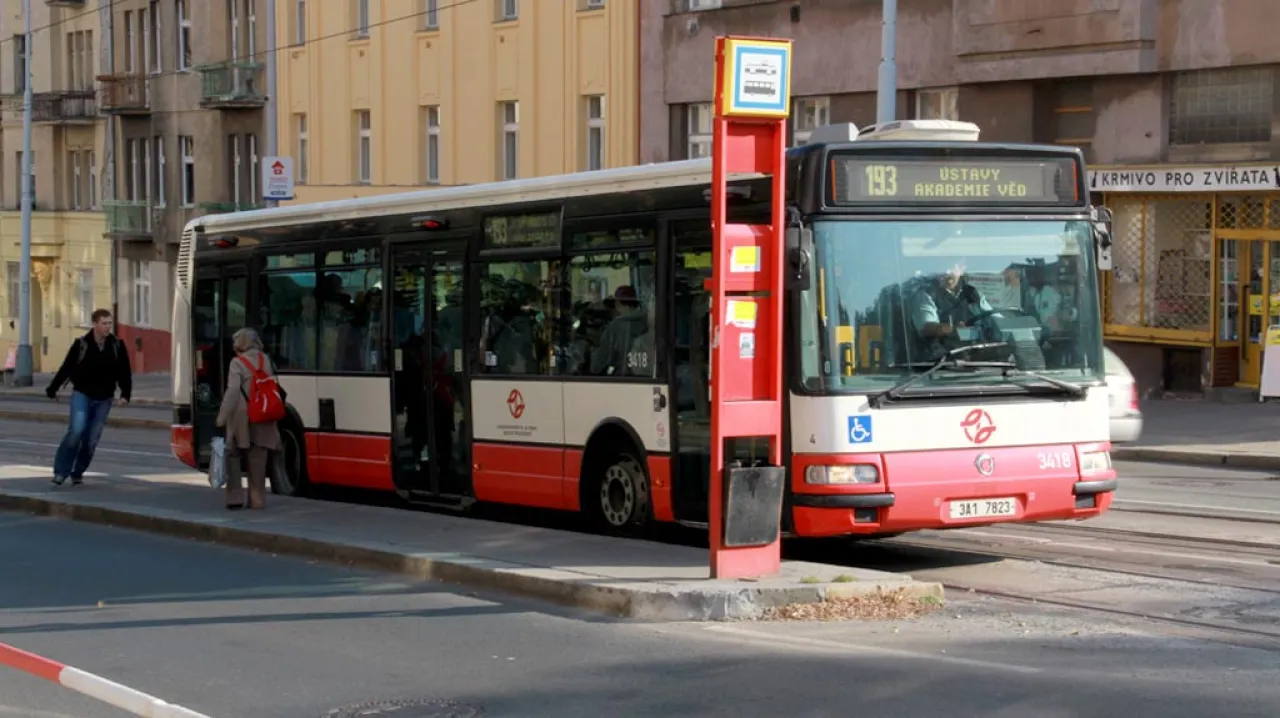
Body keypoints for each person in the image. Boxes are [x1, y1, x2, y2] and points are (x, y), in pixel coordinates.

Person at [45, 309, 132, 487]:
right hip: (82, 394)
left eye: (109, 323)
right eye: (104, 323)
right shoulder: (82, 344)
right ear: (95, 324)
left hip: (104, 398)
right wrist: (52, 389)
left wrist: (125, 394)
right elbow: (67, 367)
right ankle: (61, 472)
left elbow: (124, 371)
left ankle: (78, 472)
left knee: (92, 439)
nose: (108, 326)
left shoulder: (117, 345)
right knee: (76, 431)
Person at [215, 328, 281, 510]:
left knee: (233, 455)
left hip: (241, 416)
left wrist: (221, 417)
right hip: (264, 412)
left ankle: (235, 497)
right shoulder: (264, 359)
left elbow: (233, 391)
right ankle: (258, 499)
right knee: (258, 458)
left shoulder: (237, 363)